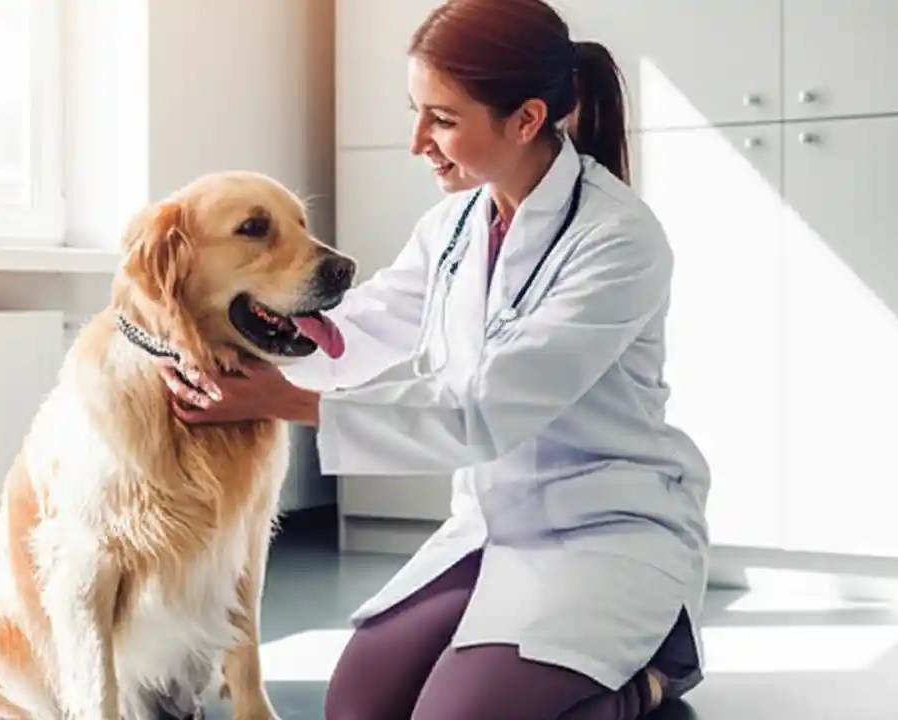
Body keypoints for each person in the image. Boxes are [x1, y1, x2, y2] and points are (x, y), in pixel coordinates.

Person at [158, 0, 710, 717]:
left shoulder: (617, 240)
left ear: (527, 120)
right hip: (490, 526)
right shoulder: (452, 225)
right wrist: (234, 355)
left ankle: (654, 673)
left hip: (603, 531)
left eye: (442, 119)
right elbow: (358, 331)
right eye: (415, 110)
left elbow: (486, 413)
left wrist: (282, 402)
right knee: (355, 707)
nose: (417, 139)